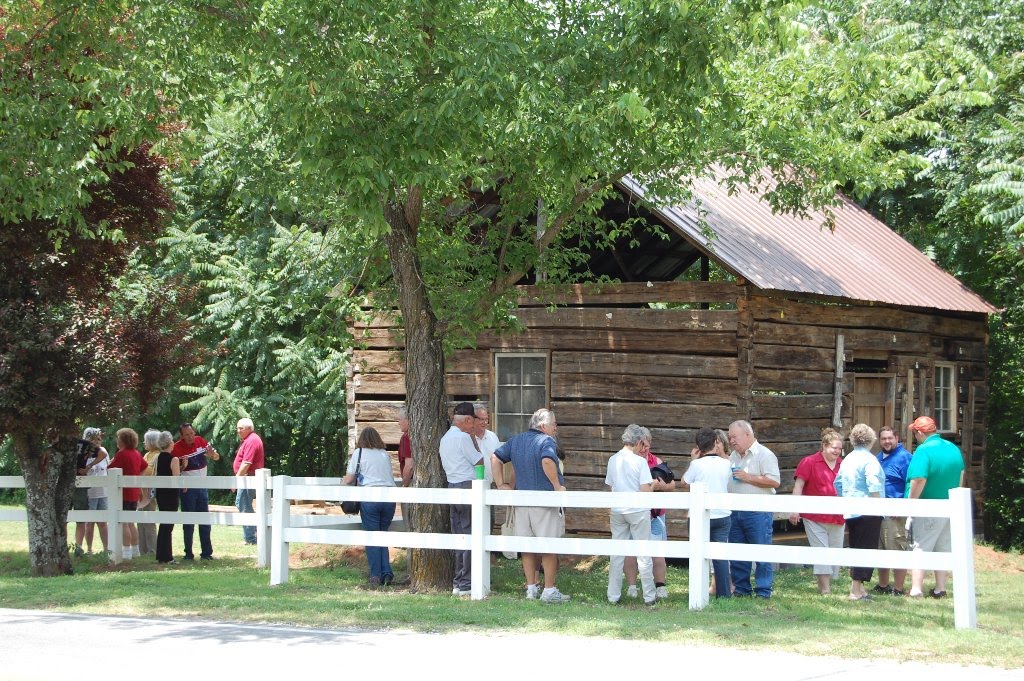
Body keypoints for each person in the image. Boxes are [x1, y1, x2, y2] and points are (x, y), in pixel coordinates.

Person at [492, 408, 570, 604]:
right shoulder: (546, 441)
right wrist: (557, 487)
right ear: (544, 426)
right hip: (543, 501)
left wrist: (501, 484)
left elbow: (495, 458)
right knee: (549, 546)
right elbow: (546, 461)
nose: (555, 428)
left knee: (527, 547)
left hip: (521, 503)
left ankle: (531, 588)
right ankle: (549, 590)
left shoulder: (516, 440)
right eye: (554, 425)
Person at [905, 415, 965, 599]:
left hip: (928, 506)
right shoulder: (952, 448)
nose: (915, 436)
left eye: (915, 433)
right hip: (949, 506)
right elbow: (961, 474)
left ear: (920, 432)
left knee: (921, 547)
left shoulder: (923, 451)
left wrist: (910, 504)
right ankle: (940, 588)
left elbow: (919, 479)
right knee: (943, 548)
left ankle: (916, 589)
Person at [727, 420, 781, 598]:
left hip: (758, 511)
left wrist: (748, 477)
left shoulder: (764, 455)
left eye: (734, 437)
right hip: (735, 511)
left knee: (761, 550)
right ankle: (742, 590)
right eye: (730, 437)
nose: (732, 440)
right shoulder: (733, 456)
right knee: (737, 551)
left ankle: (763, 591)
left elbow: (774, 481)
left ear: (747, 435)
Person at [789, 428, 846, 595]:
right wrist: (794, 509)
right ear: (824, 446)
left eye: (839, 448)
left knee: (835, 552)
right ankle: (826, 590)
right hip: (814, 516)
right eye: (834, 448)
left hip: (838, 516)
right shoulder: (809, 462)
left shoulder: (844, 464)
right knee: (821, 551)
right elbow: (798, 486)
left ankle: (823, 585)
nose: (837, 451)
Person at [605, 424, 657, 606]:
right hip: (637, 511)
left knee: (617, 553)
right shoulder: (640, 462)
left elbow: (611, 486)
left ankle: (613, 595)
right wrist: (654, 486)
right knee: (643, 553)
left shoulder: (613, 459)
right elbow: (644, 490)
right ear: (638, 441)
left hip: (618, 510)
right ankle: (649, 595)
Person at [833, 423, 884, 601]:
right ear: (871, 440)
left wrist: (845, 499)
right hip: (868, 510)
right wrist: (878, 505)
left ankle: (860, 589)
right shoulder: (870, 460)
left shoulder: (847, 459)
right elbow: (873, 482)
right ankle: (855, 590)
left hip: (851, 510)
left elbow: (837, 484)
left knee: (856, 546)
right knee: (866, 549)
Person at [343, 427, 398, 588]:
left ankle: (375, 575)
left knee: (372, 537)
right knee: (382, 535)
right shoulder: (384, 454)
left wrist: (342, 481)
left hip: (370, 498)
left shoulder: (359, 453)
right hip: (389, 498)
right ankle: (386, 573)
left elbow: (349, 478)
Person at [683, 427, 733, 599]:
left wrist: (693, 459)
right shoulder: (726, 464)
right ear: (715, 442)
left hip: (699, 516)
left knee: (698, 554)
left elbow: (685, 481)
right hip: (722, 514)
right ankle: (724, 594)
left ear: (698, 446)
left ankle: (699, 592)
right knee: (720, 556)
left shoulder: (696, 464)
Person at [624, 435, 676, 601]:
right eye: (643, 445)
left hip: (656, 514)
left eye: (648, 445)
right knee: (632, 552)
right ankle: (632, 587)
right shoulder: (630, 462)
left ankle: (660, 586)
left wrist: (662, 486)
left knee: (658, 551)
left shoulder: (656, 460)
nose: (645, 449)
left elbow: (673, 484)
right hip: (636, 513)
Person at [439, 402, 483, 596]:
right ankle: (466, 582)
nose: (474, 426)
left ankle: (458, 580)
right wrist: (473, 439)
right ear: (466, 420)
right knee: (470, 533)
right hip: (466, 486)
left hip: (452, 485)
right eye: (473, 421)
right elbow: (478, 460)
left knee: (459, 535)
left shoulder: (445, 438)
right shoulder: (463, 438)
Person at [873, 425, 913, 595]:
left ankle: (897, 588)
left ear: (897, 438)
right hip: (879, 511)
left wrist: (903, 506)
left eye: (890, 438)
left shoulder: (905, 458)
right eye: (883, 438)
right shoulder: (878, 458)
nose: (887, 441)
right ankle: (883, 585)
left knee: (897, 547)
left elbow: (911, 484)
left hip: (896, 512)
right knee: (881, 548)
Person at [172, 423, 221, 561]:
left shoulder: (201, 441)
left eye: (191, 433)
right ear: (181, 436)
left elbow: (217, 457)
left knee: (204, 520)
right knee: (189, 522)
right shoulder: (176, 448)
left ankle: (206, 553)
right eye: (186, 435)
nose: (190, 437)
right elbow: (174, 471)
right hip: (188, 489)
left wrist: (213, 455)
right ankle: (188, 553)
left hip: (202, 487)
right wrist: (182, 468)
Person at [108, 428, 148, 560]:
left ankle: (126, 551)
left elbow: (110, 468)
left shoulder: (122, 454)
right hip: (134, 492)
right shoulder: (136, 453)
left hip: (124, 492)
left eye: (118, 438)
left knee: (124, 522)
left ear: (123, 440)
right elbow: (144, 466)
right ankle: (135, 550)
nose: (117, 441)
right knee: (131, 522)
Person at [73, 428, 106, 557]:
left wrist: (87, 466)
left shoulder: (73, 444)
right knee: (82, 519)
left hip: (70, 482)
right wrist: (88, 467)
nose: (98, 441)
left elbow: (103, 453)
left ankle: (77, 548)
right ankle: (79, 547)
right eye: (96, 438)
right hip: (81, 483)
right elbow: (102, 453)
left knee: (75, 518)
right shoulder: (86, 446)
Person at [232, 417, 265, 545]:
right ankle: (256, 532)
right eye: (237, 428)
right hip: (246, 477)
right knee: (242, 503)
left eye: (241, 428)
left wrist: (236, 481)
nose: (238, 431)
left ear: (249, 429)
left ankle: (252, 537)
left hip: (248, 477)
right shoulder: (249, 439)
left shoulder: (252, 440)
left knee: (243, 504)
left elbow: (246, 463)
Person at [155, 430, 182, 565]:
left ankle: (161, 554)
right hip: (171, 494)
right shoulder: (174, 459)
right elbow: (176, 479)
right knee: (169, 525)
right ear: (170, 443)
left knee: (163, 523)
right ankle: (167, 556)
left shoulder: (158, 457)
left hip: (161, 493)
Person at [83, 432, 110, 557]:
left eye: (99, 438)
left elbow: (108, 468)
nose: (99, 440)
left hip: (103, 492)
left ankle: (106, 549)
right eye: (96, 438)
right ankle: (89, 549)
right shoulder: (85, 453)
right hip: (89, 492)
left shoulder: (103, 451)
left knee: (103, 522)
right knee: (90, 522)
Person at [138, 429, 162, 556]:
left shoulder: (158, 455)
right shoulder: (147, 455)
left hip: (150, 493)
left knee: (149, 521)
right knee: (140, 521)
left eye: (146, 440)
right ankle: (142, 549)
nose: (144, 442)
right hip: (141, 492)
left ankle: (152, 549)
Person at [397, 407, 414, 488]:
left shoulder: (407, 437)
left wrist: (405, 484)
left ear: (407, 420)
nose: (398, 423)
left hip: (412, 482)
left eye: (400, 419)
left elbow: (409, 465)